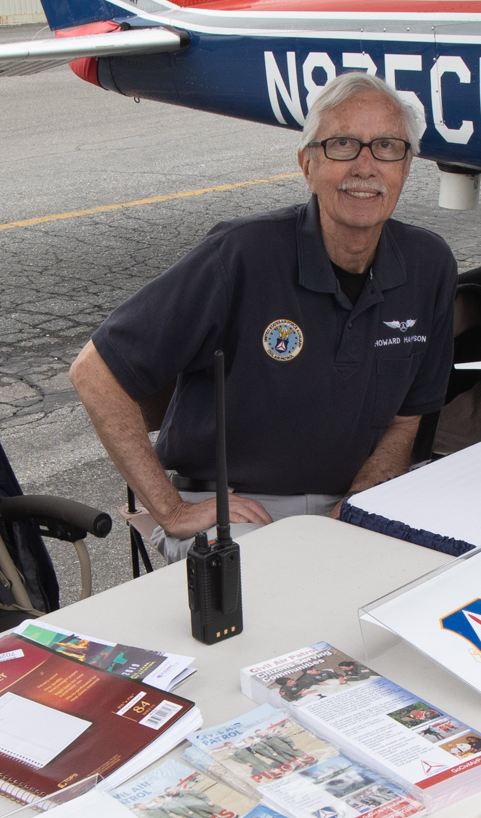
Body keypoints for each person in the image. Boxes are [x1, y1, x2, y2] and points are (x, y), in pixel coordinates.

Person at [70, 73, 457, 562]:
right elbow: (95, 373)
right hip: (236, 509)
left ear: (406, 166)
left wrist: (359, 504)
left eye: (386, 146)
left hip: (354, 501)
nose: (365, 166)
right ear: (307, 165)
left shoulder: (429, 264)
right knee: (281, 602)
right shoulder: (240, 255)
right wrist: (171, 511)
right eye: (342, 145)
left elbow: (407, 421)